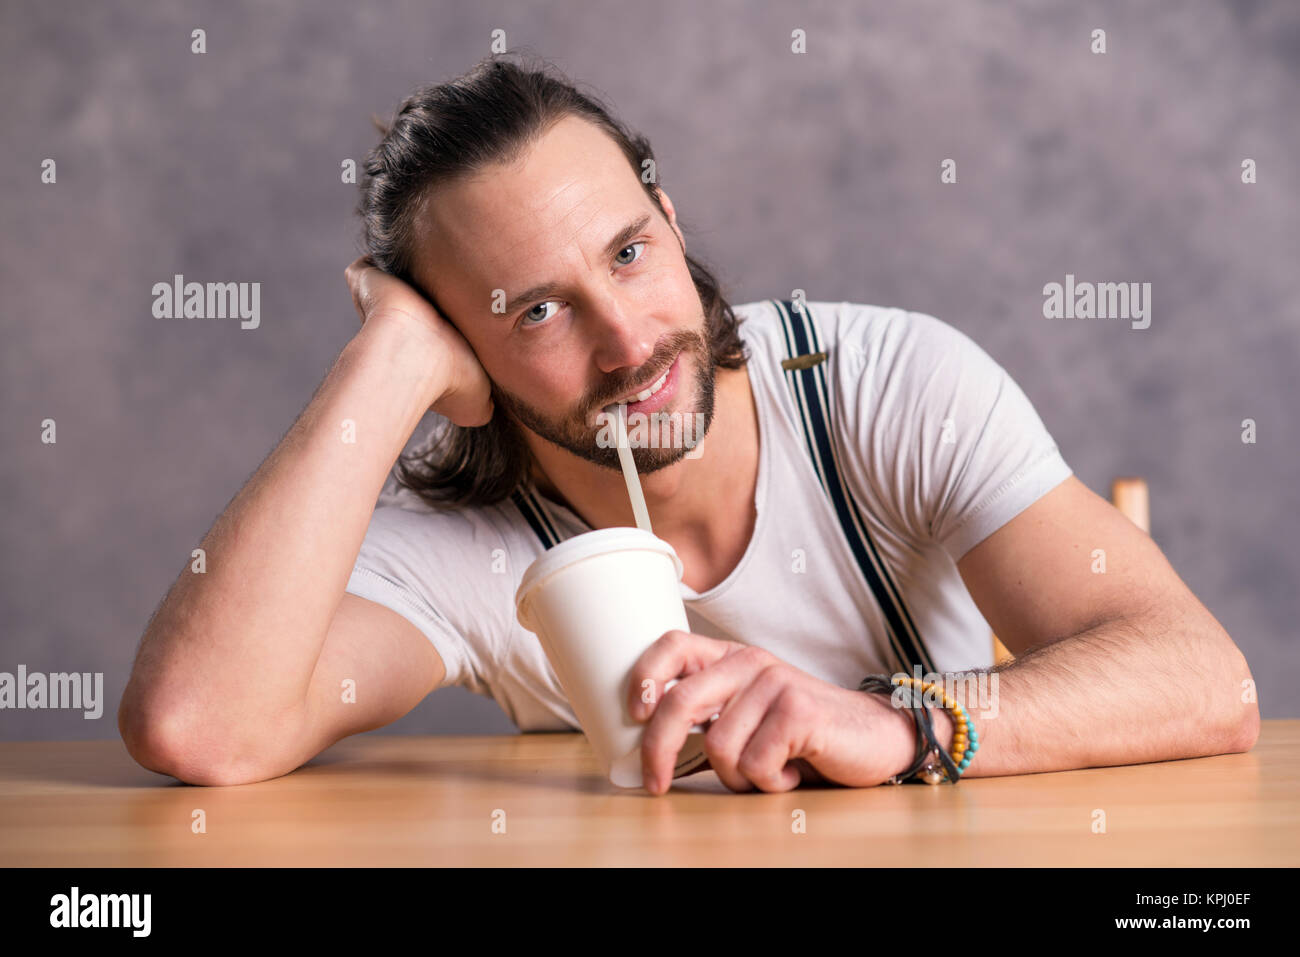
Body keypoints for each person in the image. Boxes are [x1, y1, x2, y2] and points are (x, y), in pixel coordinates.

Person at [119, 56, 1259, 794]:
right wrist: (383, 365)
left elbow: (1202, 679)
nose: (627, 342)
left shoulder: (879, 386)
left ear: (668, 218)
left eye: (627, 252)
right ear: (460, 351)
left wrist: (905, 727)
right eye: (535, 311)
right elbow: (199, 728)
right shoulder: (469, 535)